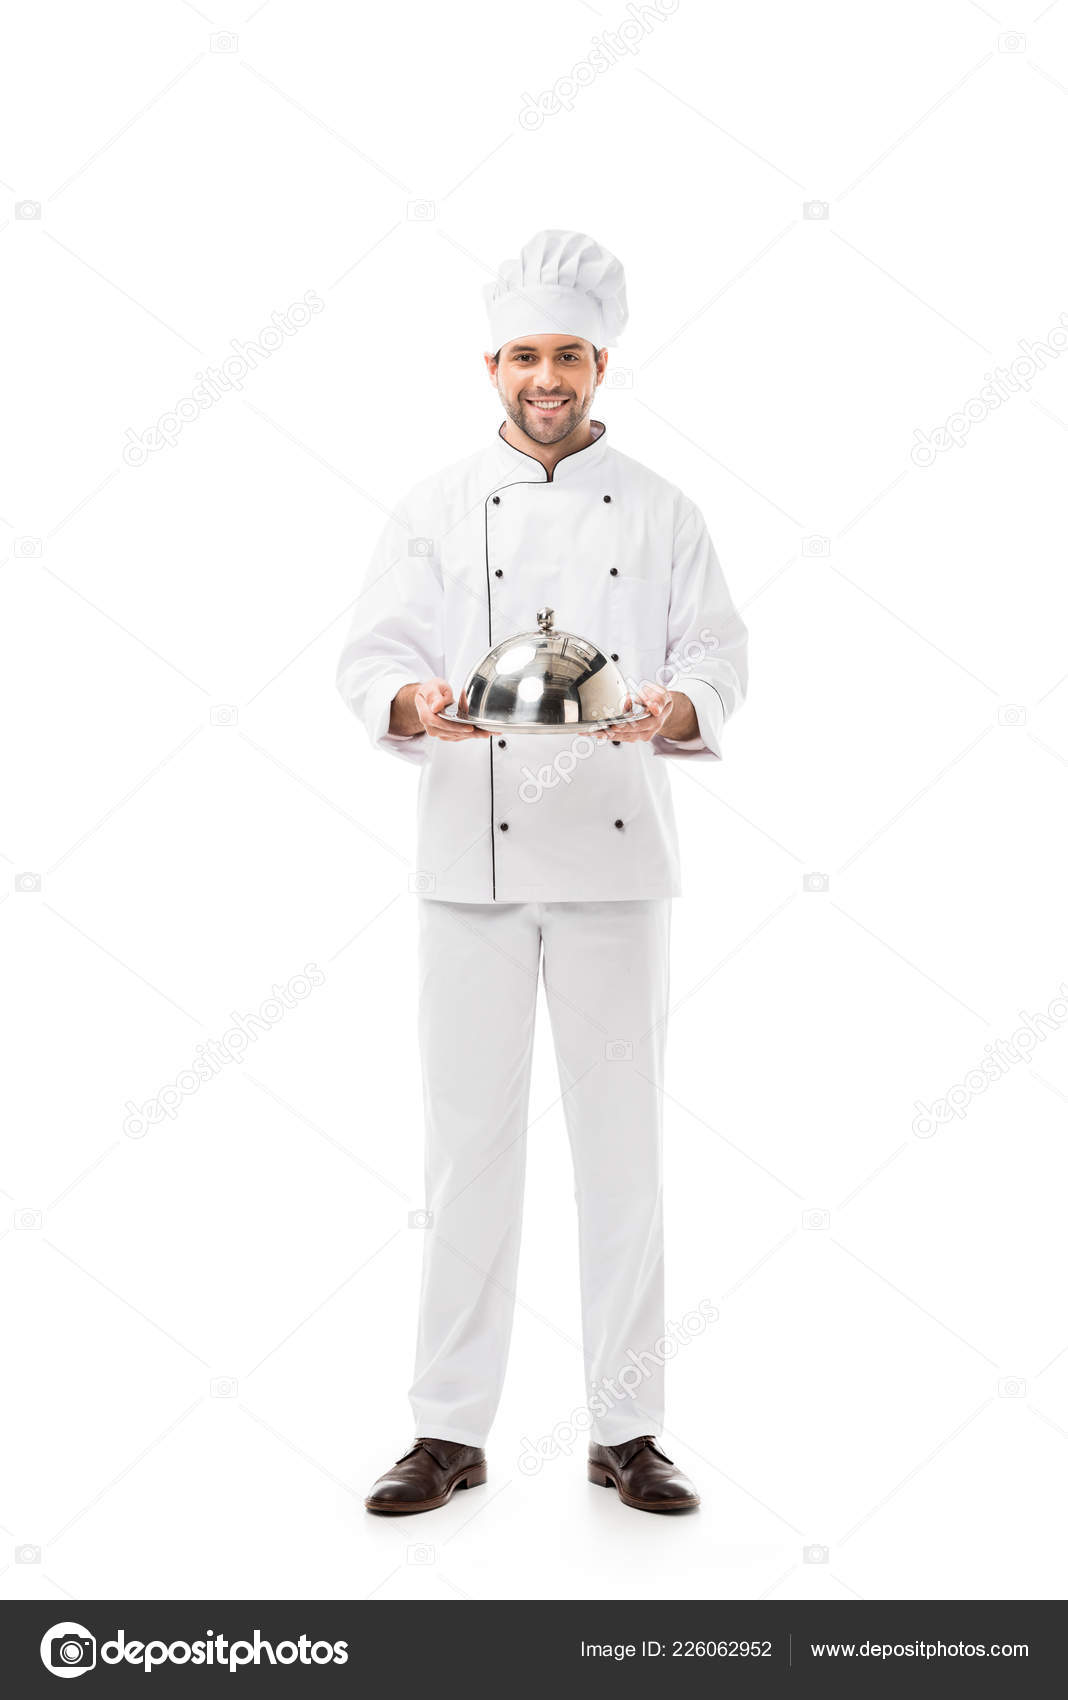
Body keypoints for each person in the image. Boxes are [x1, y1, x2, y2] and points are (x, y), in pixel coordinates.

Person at [336, 229, 748, 1515]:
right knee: (469, 1147)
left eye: (568, 353)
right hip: (472, 857)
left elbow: (721, 654)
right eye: (526, 354)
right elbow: (369, 657)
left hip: (620, 864)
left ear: (600, 361)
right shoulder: (436, 504)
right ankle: (447, 1427)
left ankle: (627, 1427)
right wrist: (411, 697)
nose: (547, 375)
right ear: (494, 365)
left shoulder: (666, 508)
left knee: (623, 1150)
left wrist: (677, 709)